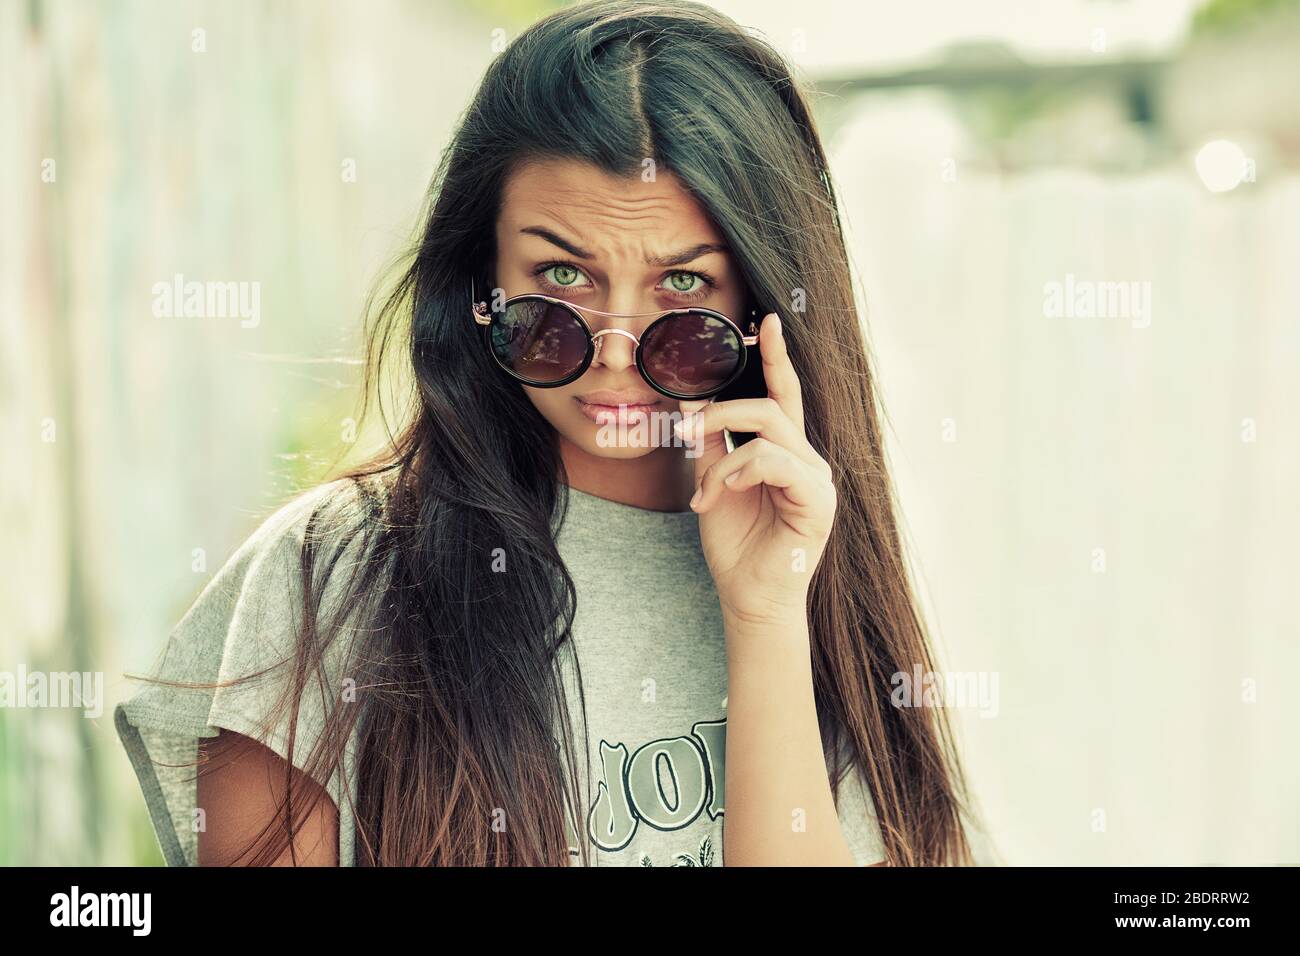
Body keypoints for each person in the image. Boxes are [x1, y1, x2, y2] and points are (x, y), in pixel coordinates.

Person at [116, 0, 981, 867]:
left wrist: (765, 617)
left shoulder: (819, 581)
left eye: (684, 282)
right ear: (481, 275)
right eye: (562, 273)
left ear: (763, 301)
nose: (613, 352)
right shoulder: (326, 579)